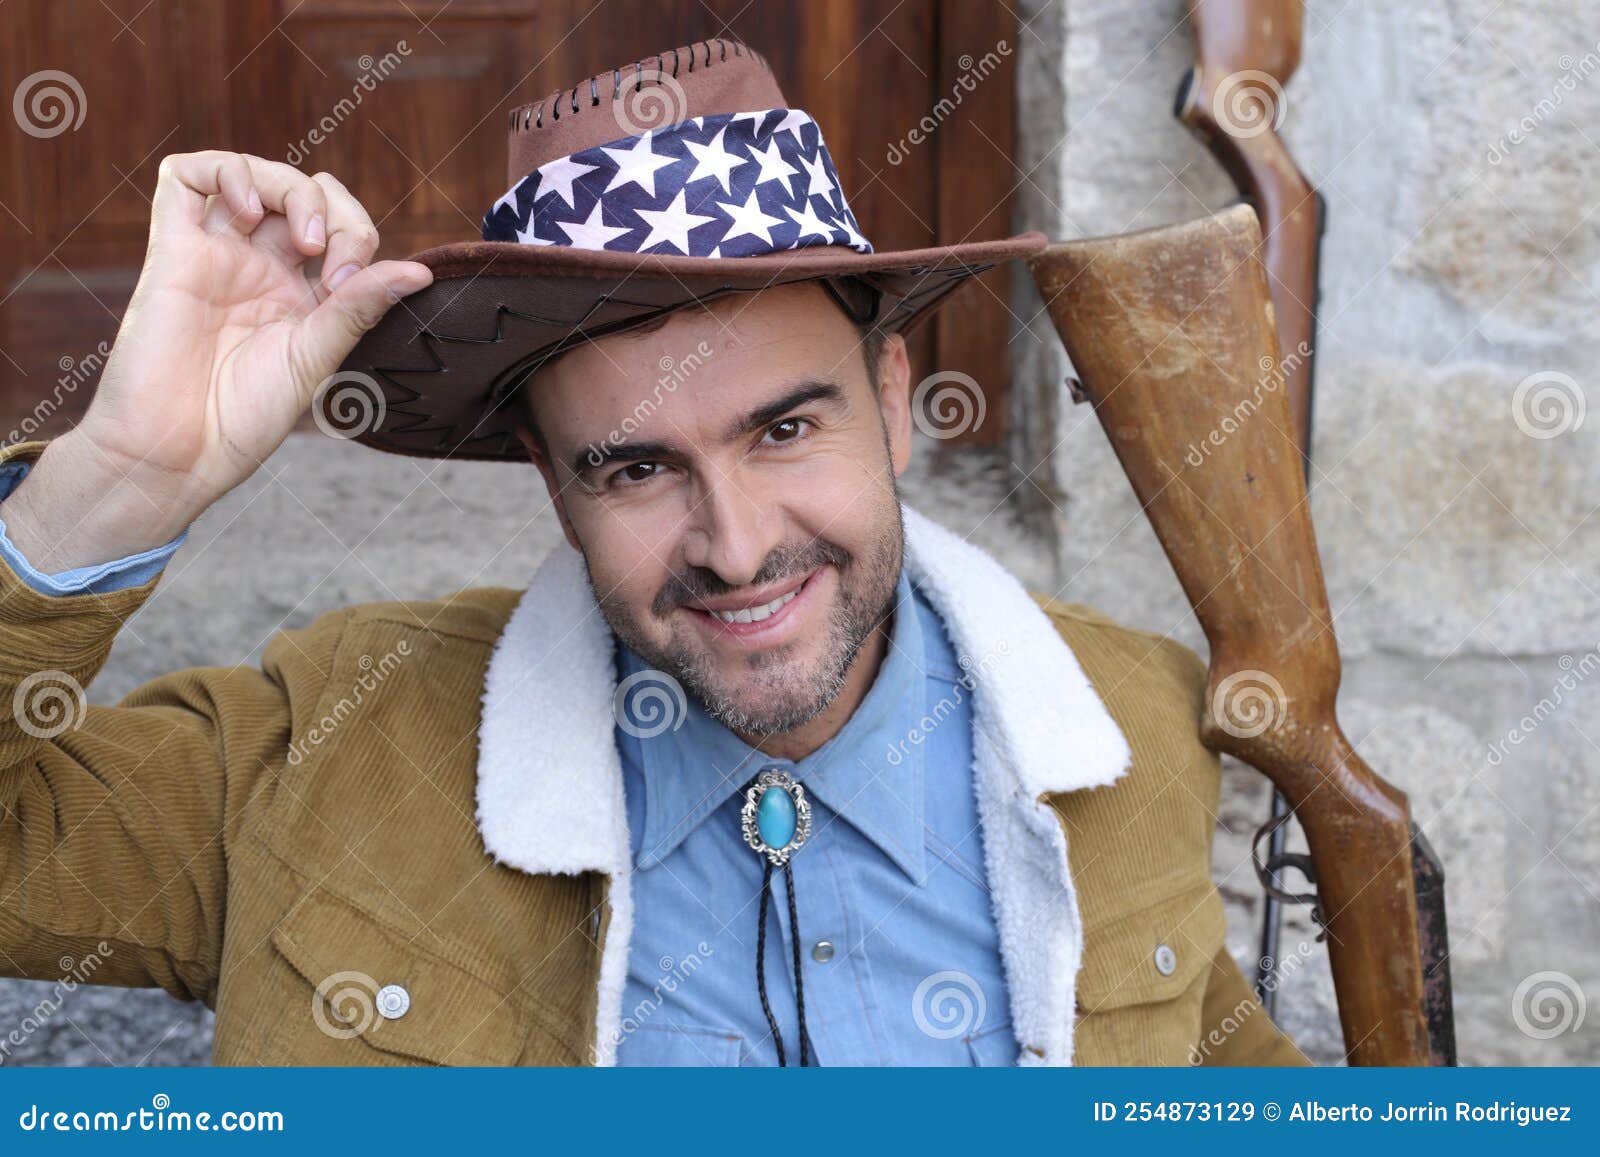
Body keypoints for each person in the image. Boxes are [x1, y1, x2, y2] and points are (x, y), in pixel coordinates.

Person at [0, 40, 1306, 1067]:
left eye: (785, 428)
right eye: (636, 467)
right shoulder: (318, 753)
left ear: (898, 398)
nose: (736, 547)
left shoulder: (1126, 729)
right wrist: (118, 481)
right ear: (553, 486)